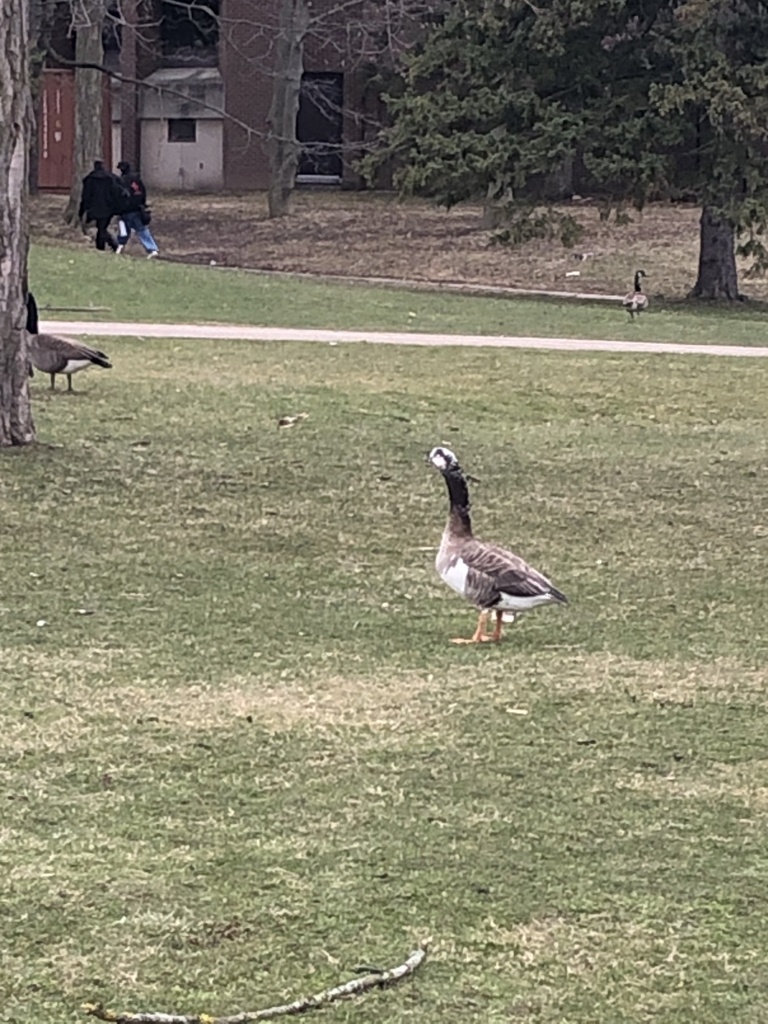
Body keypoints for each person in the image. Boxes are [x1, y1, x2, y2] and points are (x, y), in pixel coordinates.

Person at [114, 160, 160, 258]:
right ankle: (152, 249)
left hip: (126, 210)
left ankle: (120, 246)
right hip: (137, 209)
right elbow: (143, 192)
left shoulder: (122, 181)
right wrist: (142, 204)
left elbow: (119, 196)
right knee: (142, 230)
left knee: (124, 230)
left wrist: (118, 208)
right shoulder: (136, 179)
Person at [78, 159, 122, 252]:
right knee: (102, 228)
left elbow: (86, 196)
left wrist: (82, 210)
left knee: (101, 228)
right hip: (108, 207)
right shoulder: (111, 178)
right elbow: (117, 192)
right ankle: (108, 245)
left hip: (94, 208)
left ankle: (106, 246)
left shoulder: (89, 179)